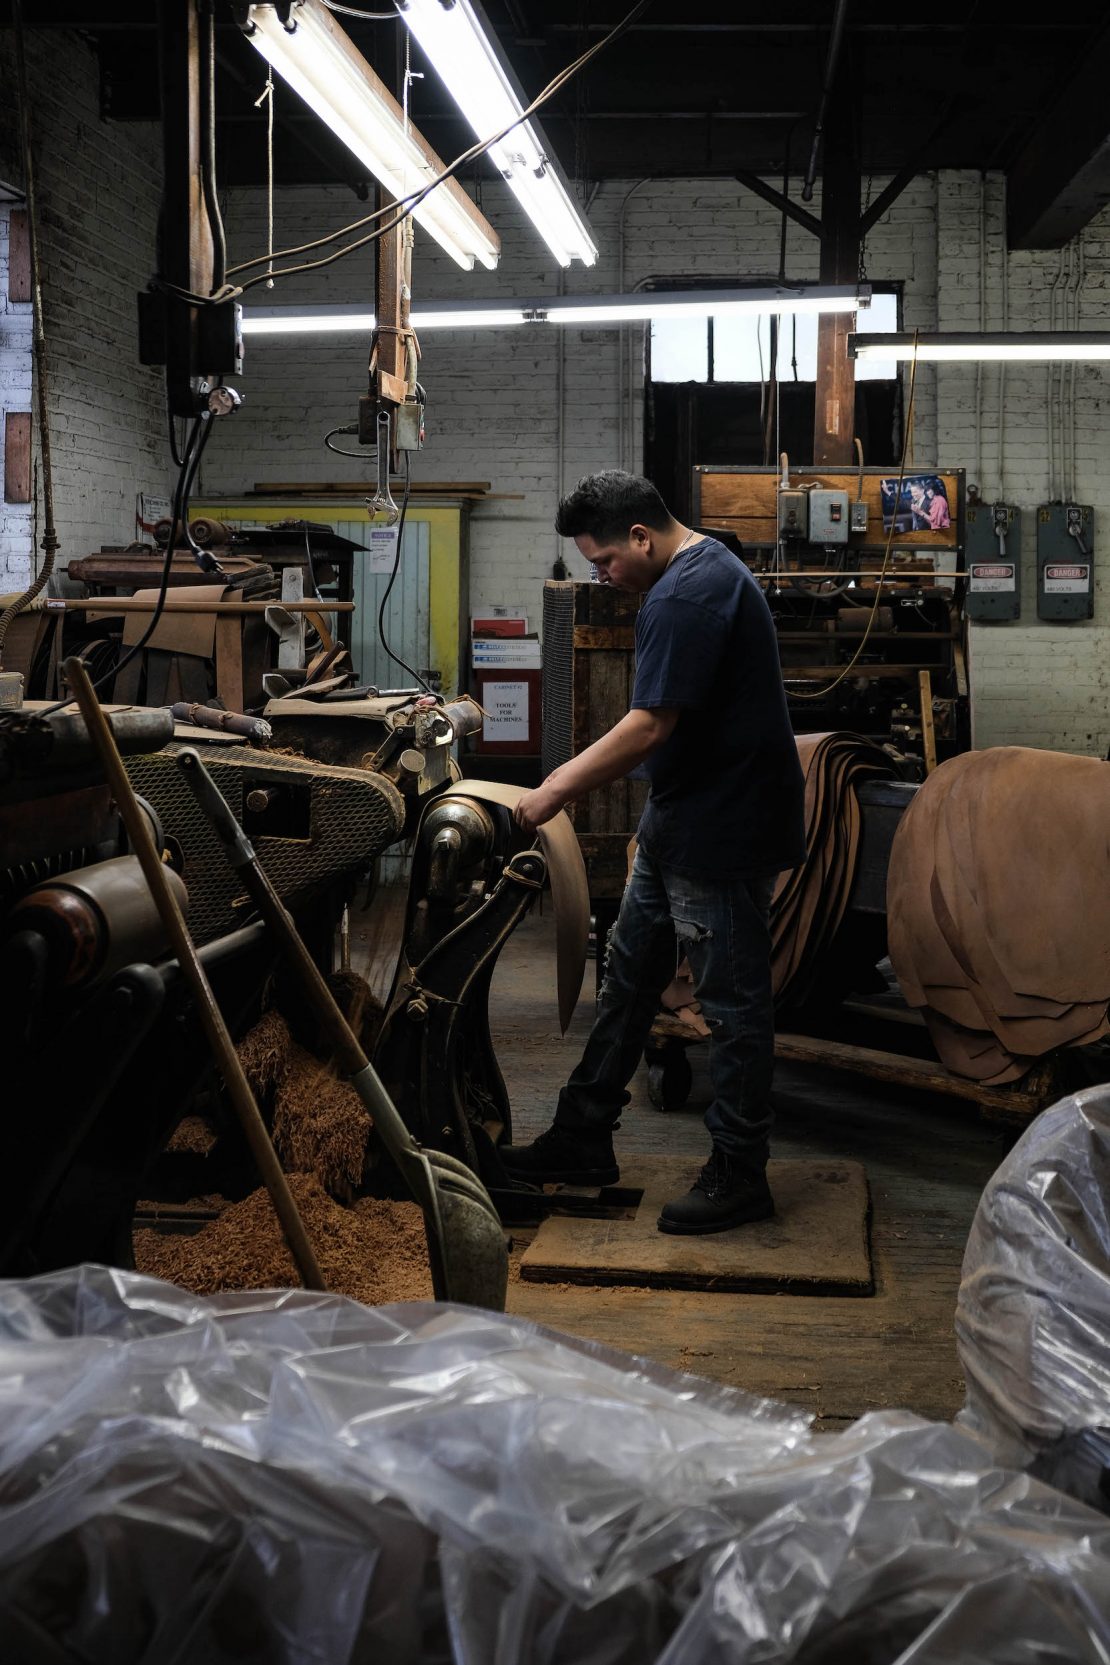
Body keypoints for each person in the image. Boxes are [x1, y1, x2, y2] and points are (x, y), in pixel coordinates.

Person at [501, 471, 806, 1234]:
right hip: (682, 819)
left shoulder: (686, 594)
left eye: (604, 561)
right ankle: (582, 1136)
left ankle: (740, 1172)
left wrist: (551, 791)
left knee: (732, 1010)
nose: (603, 575)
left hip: (722, 831)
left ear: (641, 537)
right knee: (630, 981)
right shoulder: (697, 573)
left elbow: (647, 725)